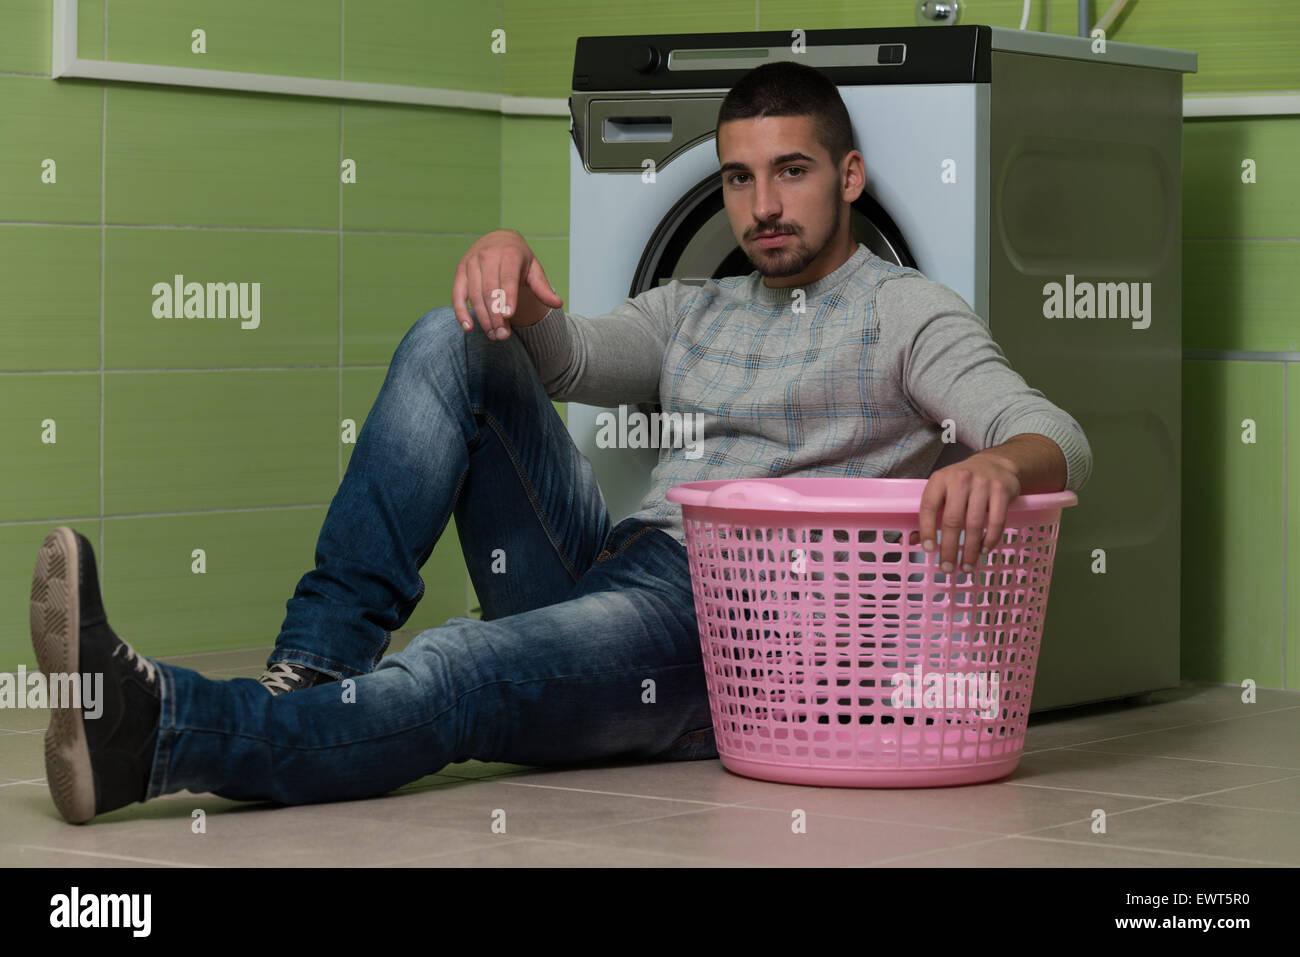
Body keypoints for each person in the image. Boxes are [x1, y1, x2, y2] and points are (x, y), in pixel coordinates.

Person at [29, 60, 1091, 824]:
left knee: (458, 665)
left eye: (792, 171)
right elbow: (568, 358)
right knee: (455, 341)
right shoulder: (700, 305)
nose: (763, 206)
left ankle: (161, 730)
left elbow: (1056, 434)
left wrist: (999, 461)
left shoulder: (905, 313)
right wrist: (508, 270)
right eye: (739, 178)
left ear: (849, 178)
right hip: (622, 574)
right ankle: (314, 671)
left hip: (733, 638)